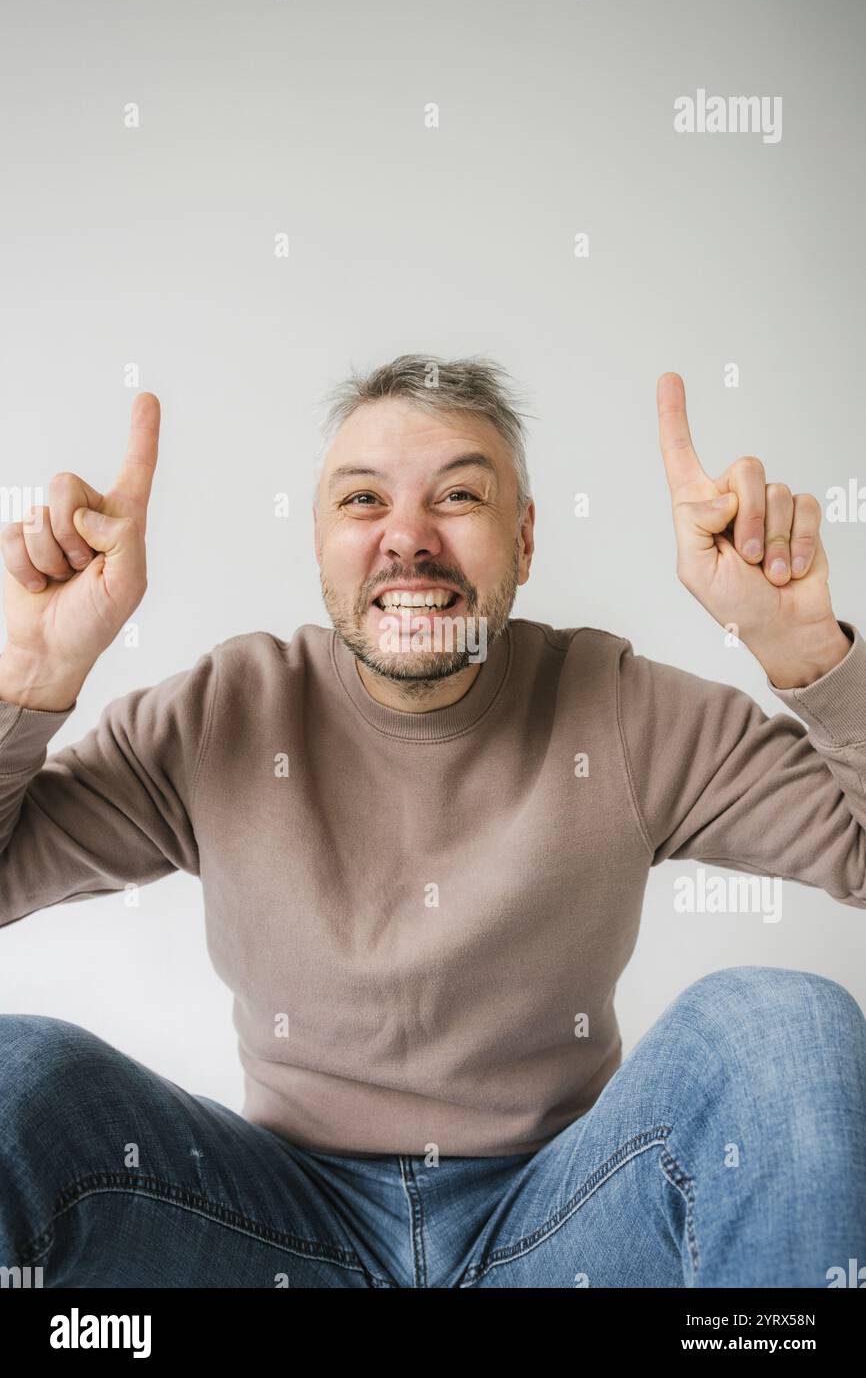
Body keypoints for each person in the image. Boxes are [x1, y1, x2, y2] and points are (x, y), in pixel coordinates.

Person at [1, 355, 864, 1289]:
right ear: (320, 543)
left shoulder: (618, 710)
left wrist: (803, 647)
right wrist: (28, 678)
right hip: (278, 1234)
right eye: (364, 501)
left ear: (526, 541)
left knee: (783, 1028)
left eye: (458, 495)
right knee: (16, 1072)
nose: (408, 539)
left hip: (560, 1226)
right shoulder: (224, 713)